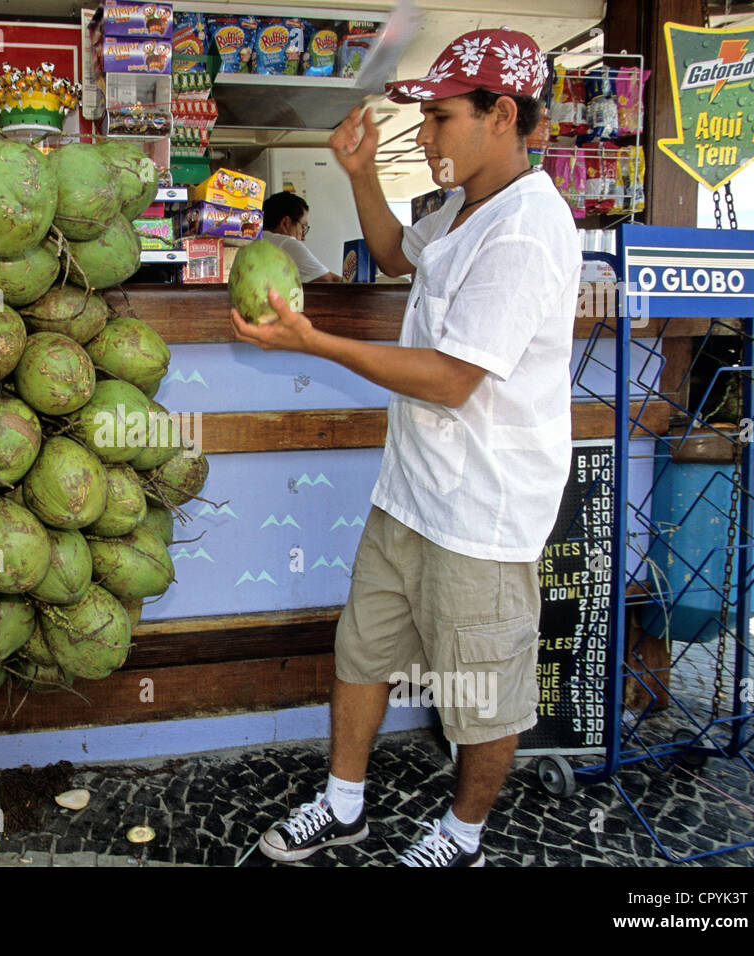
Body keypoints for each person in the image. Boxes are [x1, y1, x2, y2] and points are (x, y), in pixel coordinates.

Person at [231, 28, 580, 866]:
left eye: (440, 118)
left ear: (503, 115)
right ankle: (344, 804)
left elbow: (454, 377)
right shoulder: (463, 205)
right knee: (363, 650)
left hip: (483, 514)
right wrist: (357, 177)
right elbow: (393, 254)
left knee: (482, 695)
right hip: (411, 492)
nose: (423, 137)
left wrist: (316, 346)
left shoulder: (529, 230)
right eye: (421, 118)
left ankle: (463, 835)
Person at [260, 191, 342, 283]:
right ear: (286, 223)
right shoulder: (285, 243)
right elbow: (328, 280)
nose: (303, 237)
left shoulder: (254, 240)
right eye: (302, 227)